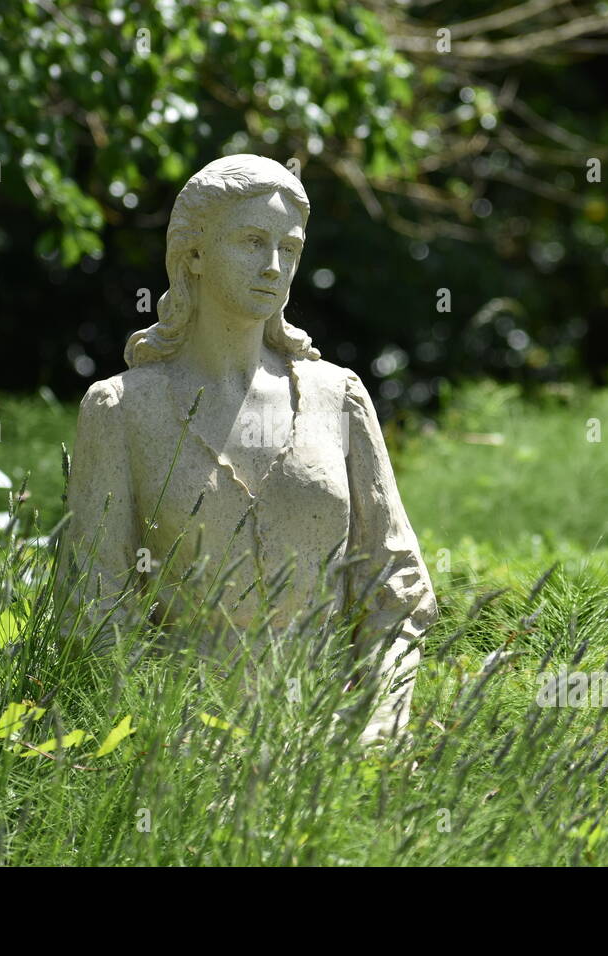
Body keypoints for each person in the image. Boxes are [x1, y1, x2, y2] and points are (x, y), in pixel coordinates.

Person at [54, 154, 436, 744]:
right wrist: (163, 731)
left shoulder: (339, 397)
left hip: (335, 746)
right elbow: (94, 602)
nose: (275, 265)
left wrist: (378, 720)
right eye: (252, 242)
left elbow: (398, 588)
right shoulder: (124, 410)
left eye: (290, 248)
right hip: (180, 751)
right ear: (195, 253)